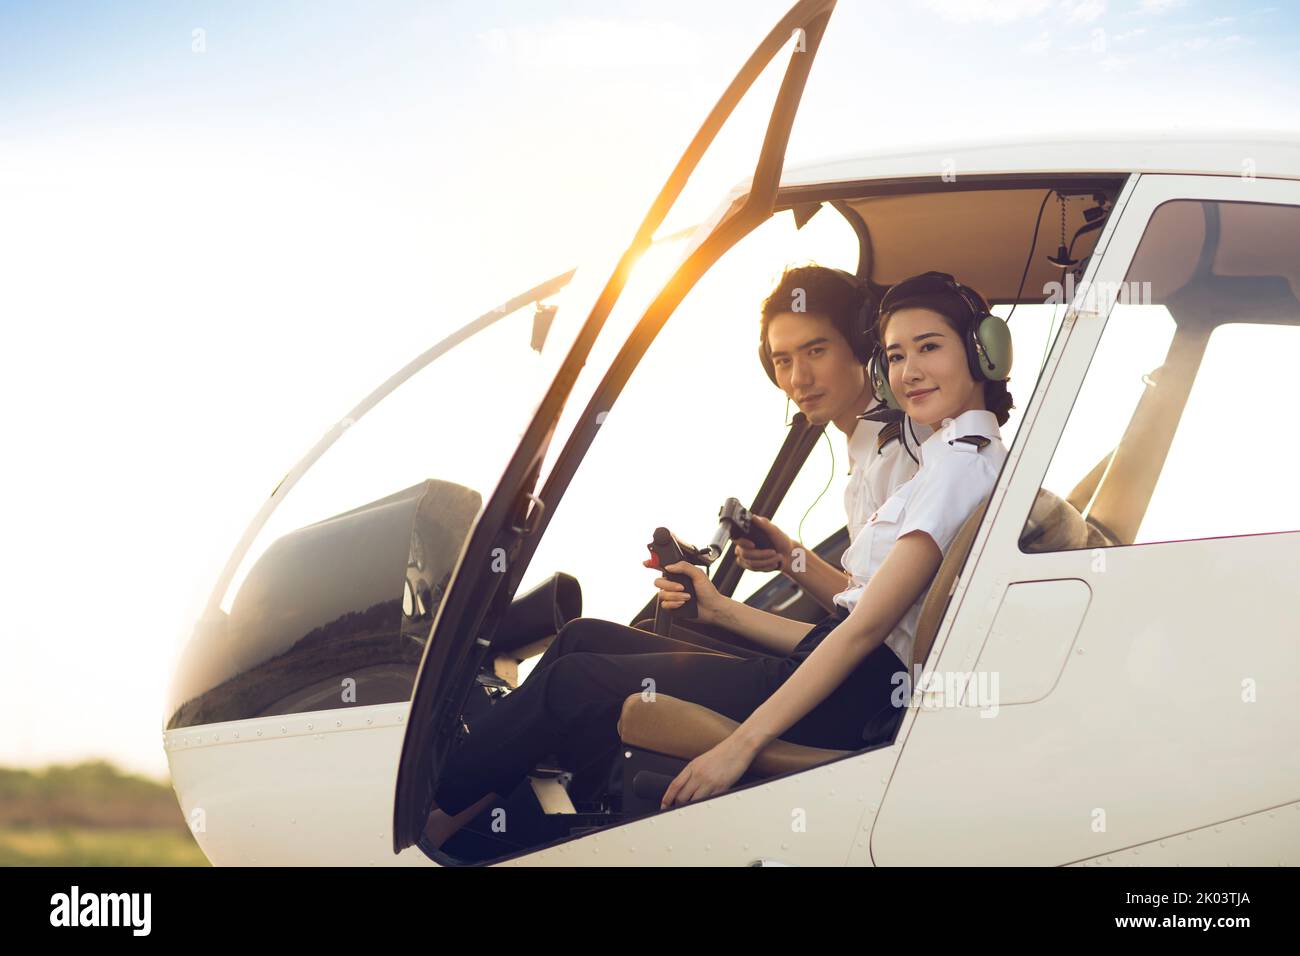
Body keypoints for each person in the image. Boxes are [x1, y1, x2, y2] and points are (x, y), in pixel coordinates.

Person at [421, 270, 1014, 849]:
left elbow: (864, 630)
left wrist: (741, 745)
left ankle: (418, 818)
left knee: (573, 683)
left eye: (928, 348)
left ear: (982, 352)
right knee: (580, 642)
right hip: (859, 679)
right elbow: (863, 607)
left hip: (860, 695)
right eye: (898, 356)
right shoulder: (948, 453)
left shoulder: (951, 460)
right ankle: (475, 817)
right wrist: (732, 600)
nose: (908, 372)